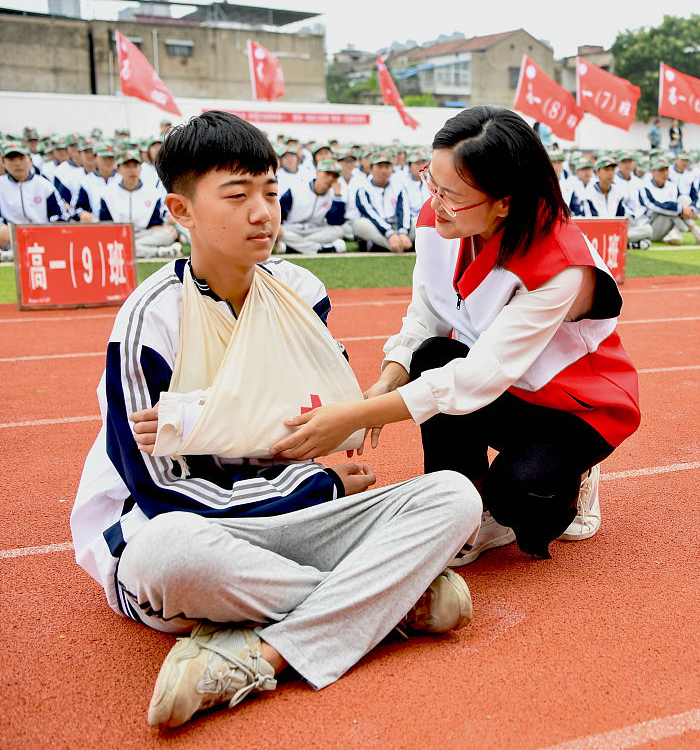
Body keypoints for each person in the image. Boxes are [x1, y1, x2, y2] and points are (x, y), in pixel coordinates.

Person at [69, 111, 480, 728]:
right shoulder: (148, 323)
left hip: (288, 525)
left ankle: (261, 650)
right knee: (167, 555)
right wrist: (323, 483)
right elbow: (160, 489)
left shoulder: (299, 290)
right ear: (181, 213)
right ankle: (392, 603)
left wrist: (265, 450)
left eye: (269, 191)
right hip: (197, 531)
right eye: (237, 196)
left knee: (454, 496)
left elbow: (319, 419)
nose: (263, 212)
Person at [272, 106, 641, 564]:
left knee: (520, 498)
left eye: (450, 194)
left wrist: (353, 415)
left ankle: (572, 479)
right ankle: (465, 503)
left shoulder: (559, 265)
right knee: (432, 354)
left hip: (574, 407)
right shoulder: (439, 218)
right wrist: (390, 377)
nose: (434, 201)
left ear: (504, 201)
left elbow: (476, 378)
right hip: (508, 390)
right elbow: (427, 310)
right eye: (432, 181)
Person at [97, 150, 182, 258]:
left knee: (168, 234)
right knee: (106, 240)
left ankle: (128, 248)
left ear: (140, 168)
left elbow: (154, 222)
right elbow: (105, 224)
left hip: (143, 234)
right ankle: (158, 252)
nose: (132, 170)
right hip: (118, 235)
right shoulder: (108, 194)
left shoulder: (153, 193)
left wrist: (161, 228)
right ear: (118, 170)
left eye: (135, 165)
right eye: (127, 166)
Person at [633, 156, 700, 246]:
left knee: (683, 201)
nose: (664, 173)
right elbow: (655, 207)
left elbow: (684, 201)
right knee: (672, 212)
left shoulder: (672, 186)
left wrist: (691, 210)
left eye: (666, 170)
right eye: (661, 170)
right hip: (648, 228)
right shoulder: (644, 187)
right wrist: (680, 209)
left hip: (667, 224)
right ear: (652, 171)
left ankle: (680, 233)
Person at [276, 158, 348, 254]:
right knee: (277, 230)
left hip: (315, 231)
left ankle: (292, 247)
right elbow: (279, 210)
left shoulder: (333, 195)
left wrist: (338, 196)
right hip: (293, 228)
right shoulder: (297, 189)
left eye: (335, 176)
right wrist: (278, 226)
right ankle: (320, 248)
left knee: (339, 231)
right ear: (318, 172)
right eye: (327, 173)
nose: (331, 178)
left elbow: (335, 222)